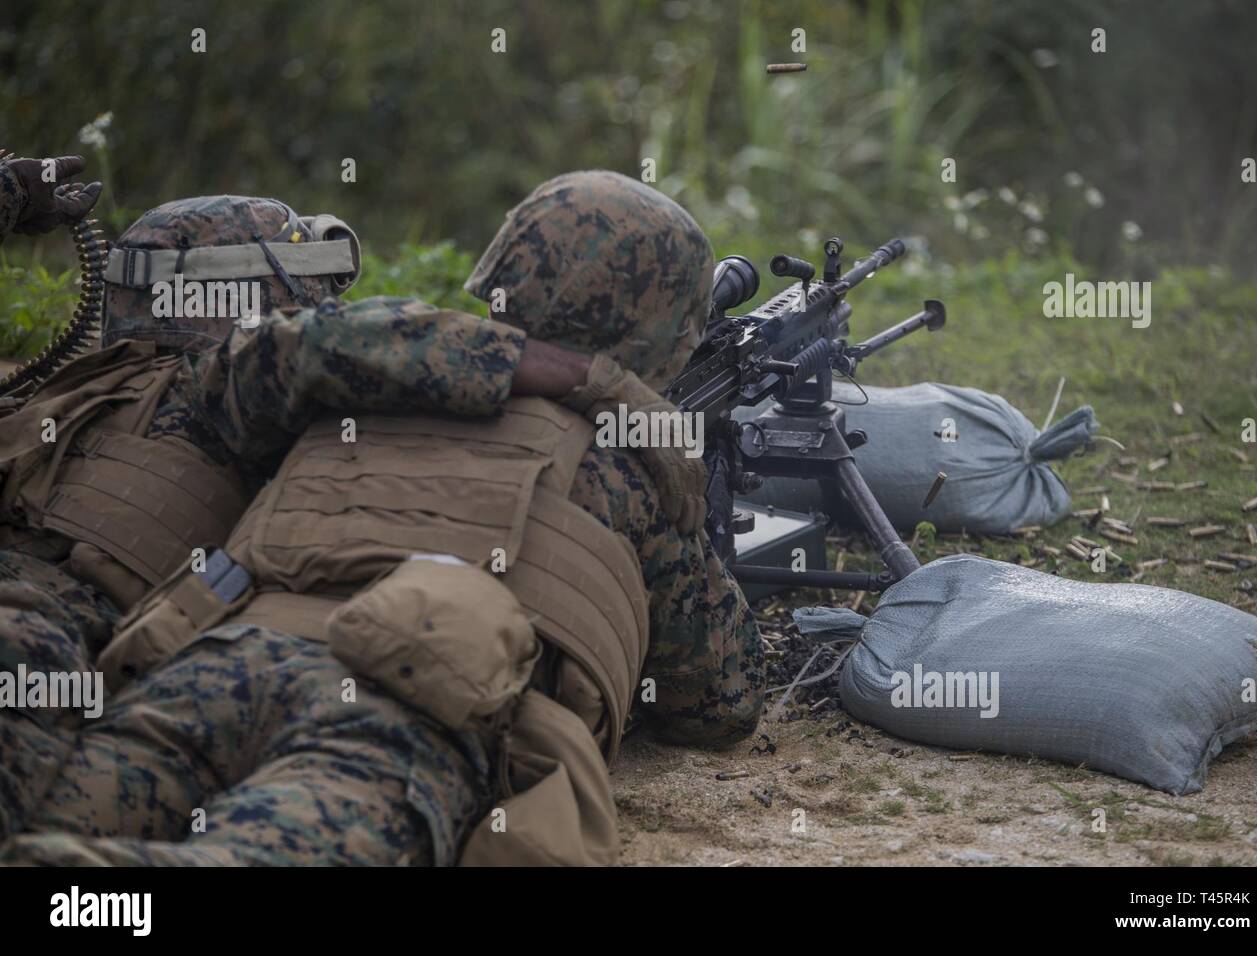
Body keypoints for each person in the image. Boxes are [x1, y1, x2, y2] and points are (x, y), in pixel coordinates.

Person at [3, 170, 764, 866]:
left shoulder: (364, 386)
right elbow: (720, 703)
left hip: (216, 659)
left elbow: (303, 351)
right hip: (396, 704)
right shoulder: (638, 464)